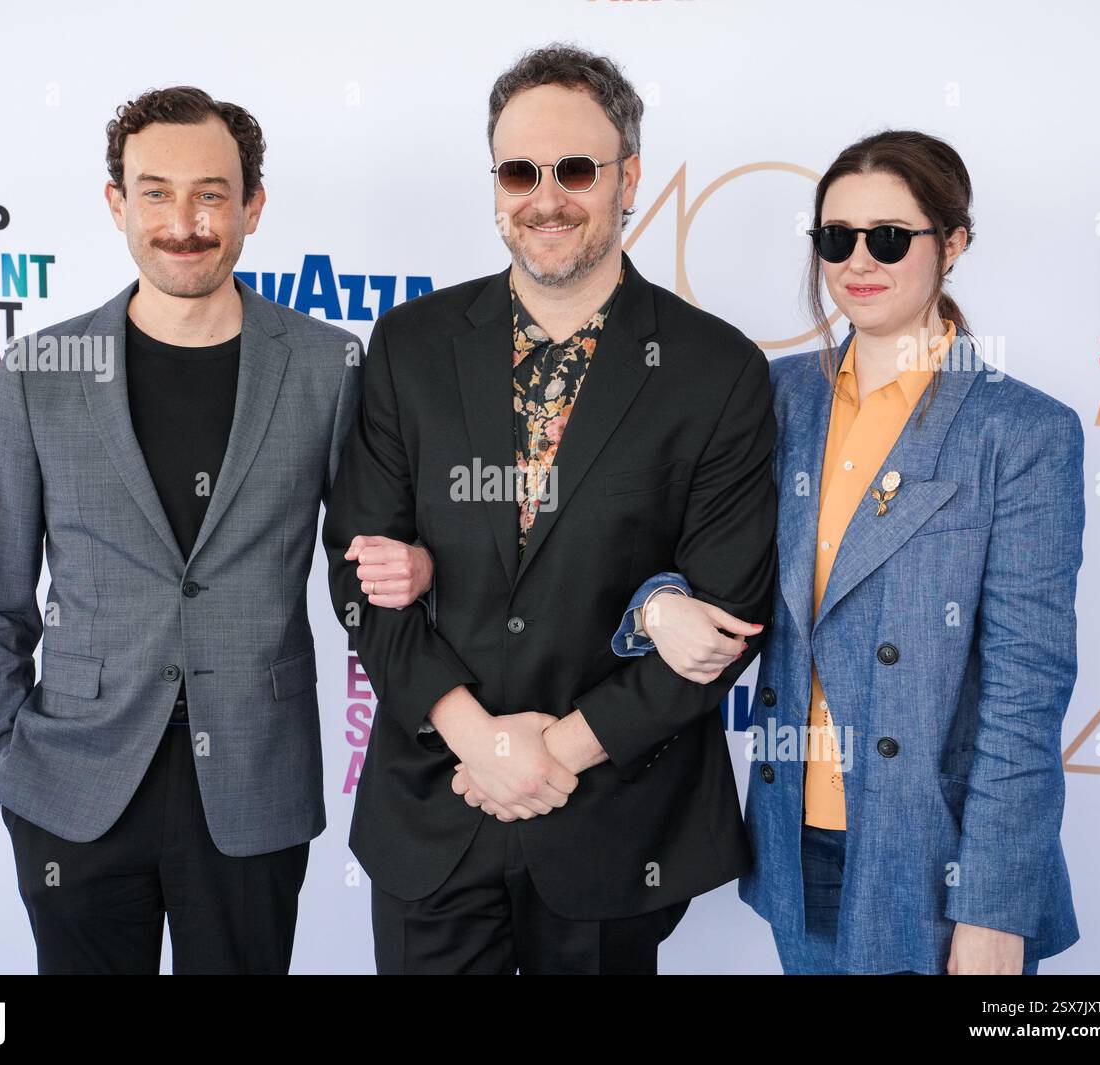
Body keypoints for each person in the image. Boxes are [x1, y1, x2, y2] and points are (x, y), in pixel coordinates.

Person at [322, 43, 777, 975]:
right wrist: (476, 736)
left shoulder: (716, 369)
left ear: (629, 178)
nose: (546, 198)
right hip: (436, 805)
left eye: (575, 169)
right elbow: (362, 572)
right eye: (519, 172)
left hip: (613, 818)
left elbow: (725, 621)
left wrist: (552, 751)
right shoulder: (410, 345)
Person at [615, 130, 1083, 974]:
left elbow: (1026, 692)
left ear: (954, 244)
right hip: (797, 840)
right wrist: (659, 602)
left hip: (940, 857)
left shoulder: (1022, 432)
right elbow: (675, 544)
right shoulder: (776, 396)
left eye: (890, 238)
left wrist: (993, 904)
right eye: (837, 238)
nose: (858, 261)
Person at [0, 86, 366, 974]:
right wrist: (3, 766)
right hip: (72, 788)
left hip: (254, 778)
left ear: (253, 205)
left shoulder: (327, 366)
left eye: (211, 194)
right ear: (117, 203)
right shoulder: (39, 374)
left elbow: (362, 571)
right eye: (156, 193)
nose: (184, 223)